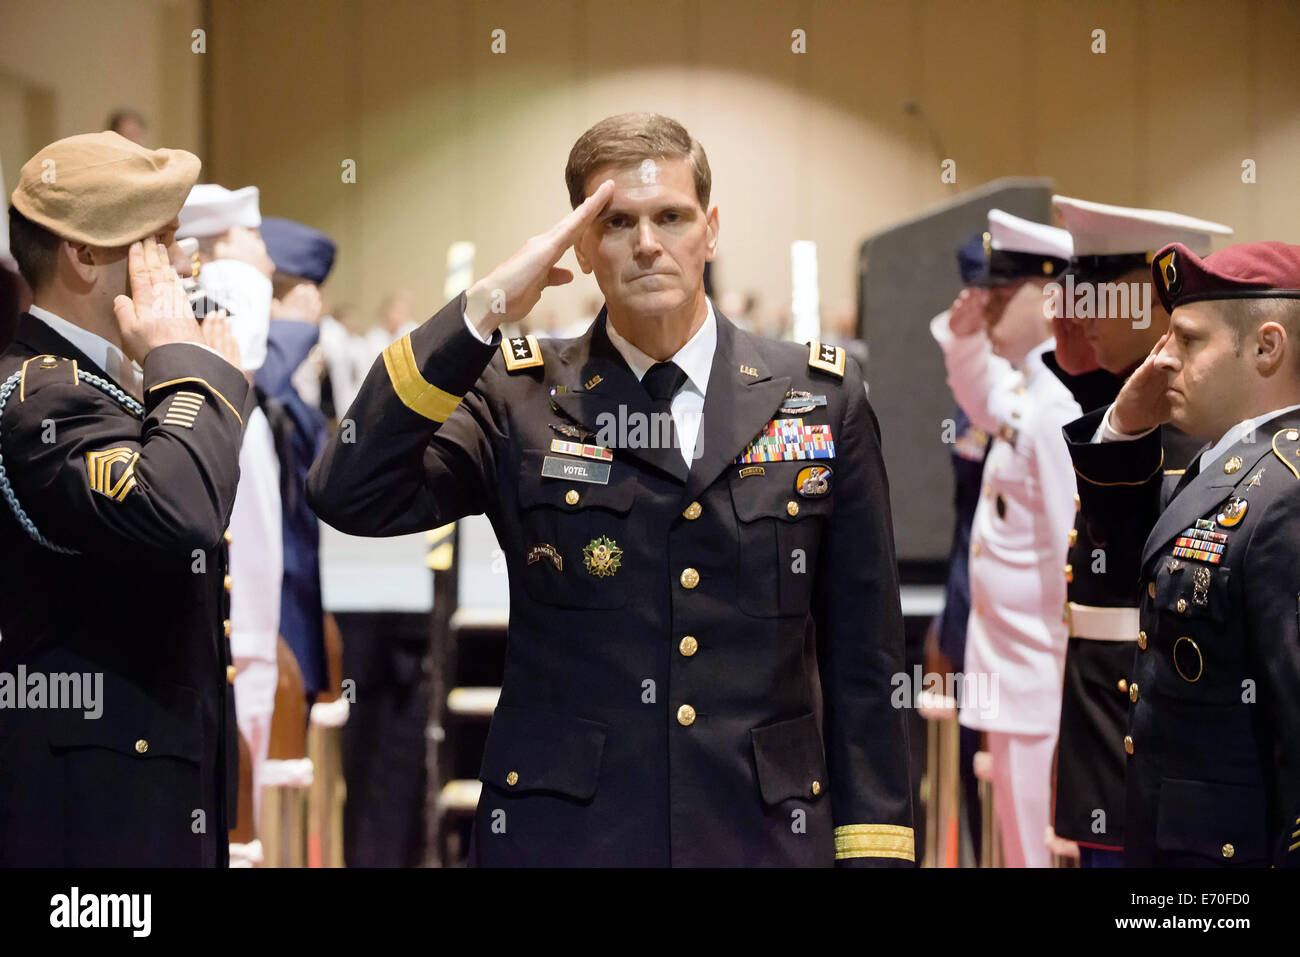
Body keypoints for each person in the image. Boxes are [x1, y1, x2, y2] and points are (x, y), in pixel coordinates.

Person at [308, 112, 914, 867]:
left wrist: (876, 853)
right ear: (581, 245)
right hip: (568, 836)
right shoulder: (517, 395)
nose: (648, 243)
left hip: (761, 835)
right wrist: (481, 309)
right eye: (618, 221)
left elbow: (867, 661)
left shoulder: (819, 395)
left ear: (711, 229)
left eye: (671, 216)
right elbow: (349, 488)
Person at [0, 131, 248, 866]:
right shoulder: (39, 398)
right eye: (161, 241)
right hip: (89, 808)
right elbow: (181, 510)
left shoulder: (105, 383)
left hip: (147, 786)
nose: (181, 265)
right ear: (84, 254)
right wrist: (187, 368)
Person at [1068, 240, 1300, 867]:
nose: (1162, 359)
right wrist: (1122, 426)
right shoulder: (1228, 466)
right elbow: (1122, 562)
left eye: (1189, 341)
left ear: (1267, 347)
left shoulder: (1288, 491)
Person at [1050, 195, 1232, 866]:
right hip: (1108, 746)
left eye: (1101, 290)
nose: (1082, 307)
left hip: (1157, 756)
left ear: (1160, 300)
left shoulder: (1187, 430)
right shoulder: (1119, 416)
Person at [931, 209, 1078, 867]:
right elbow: (985, 401)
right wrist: (963, 339)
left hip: (1045, 682)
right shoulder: (1029, 387)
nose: (985, 300)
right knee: (1020, 850)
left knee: (1037, 853)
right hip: (1015, 676)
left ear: (1050, 298)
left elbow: (1073, 554)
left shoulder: (1057, 408)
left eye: (1001, 289)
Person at [178, 184, 284, 831]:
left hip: (247, 634)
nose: (267, 259)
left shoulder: (242, 414)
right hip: (233, 637)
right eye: (254, 241)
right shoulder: (222, 409)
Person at [258, 216, 335, 706]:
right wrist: (290, 332)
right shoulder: (265, 362)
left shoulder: (286, 372)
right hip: (260, 614)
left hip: (292, 594)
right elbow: (254, 390)